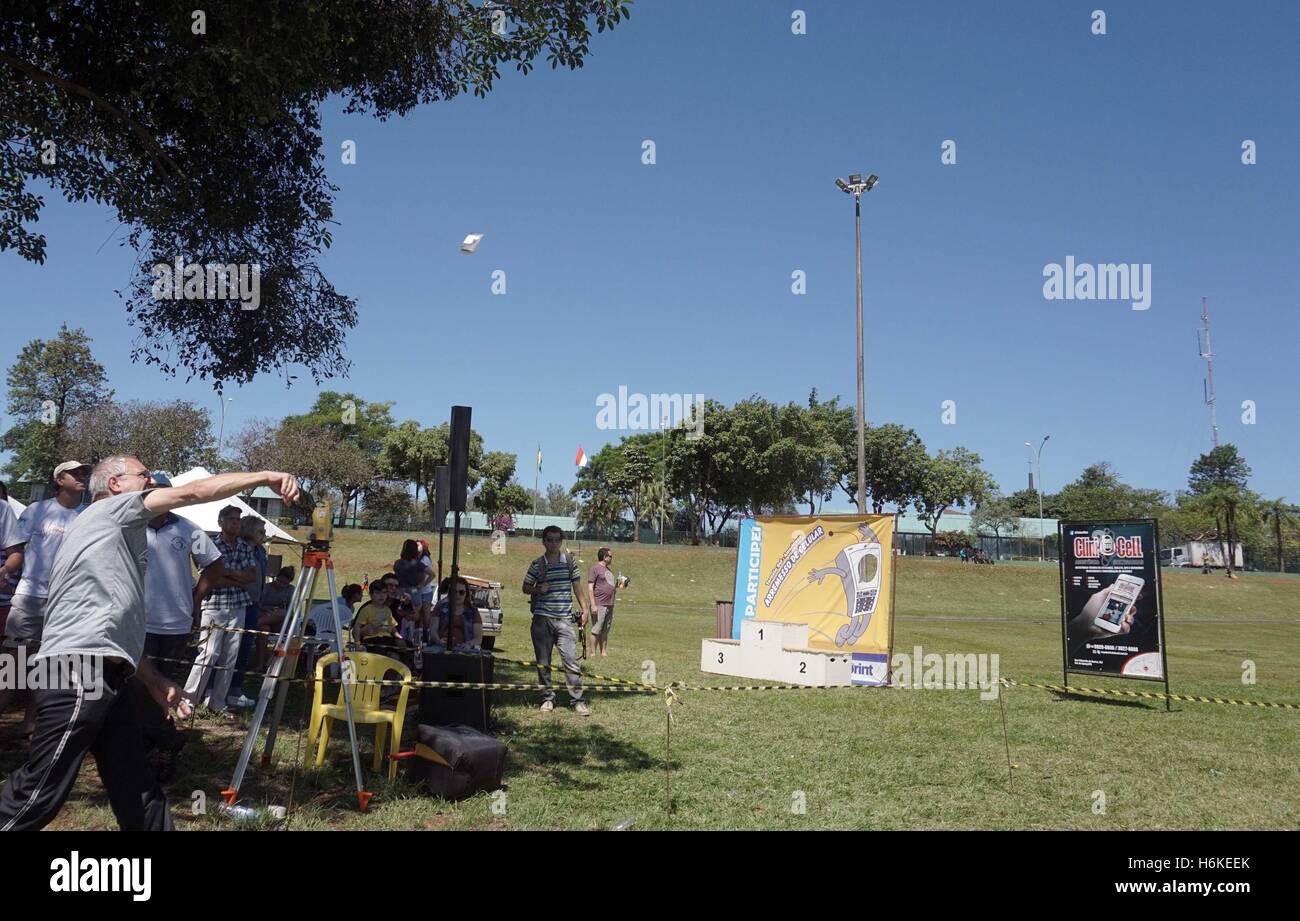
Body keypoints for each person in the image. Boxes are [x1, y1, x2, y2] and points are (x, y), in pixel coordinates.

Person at [0, 457, 299, 831]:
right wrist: (265, 475)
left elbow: (111, 632)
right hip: (76, 671)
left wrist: (157, 683)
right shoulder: (109, 510)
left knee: (136, 785)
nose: (152, 482)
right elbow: (192, 492)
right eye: (144, 476)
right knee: (39, 791)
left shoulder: (114, 538)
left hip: (107, 673)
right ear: (114, 484)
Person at [139, 472, 224, 777]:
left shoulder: (188, 529)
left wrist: (197, 599)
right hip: (135, 623)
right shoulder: (131, 525)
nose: (159, 496)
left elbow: (215, 563)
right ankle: (162, 742)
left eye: (164, 491)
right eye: (153, 491)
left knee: (165, 688)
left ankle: (158, 749)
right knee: (139, 688)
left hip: (176, 623)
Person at [0, 461, 89, 737]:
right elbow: (17, 550)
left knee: (50, 664)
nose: (81, 477)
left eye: (84, 473)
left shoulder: (89, 515)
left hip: (68, 602)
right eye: (74, 473)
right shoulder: (36, 511)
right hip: (29, 597)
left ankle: (31, 721)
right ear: (59, 479)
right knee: (13, 662)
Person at [184, 505, 257, 716]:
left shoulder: (244, 546)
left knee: (230, 657)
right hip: (213, 605)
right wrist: (236, 578)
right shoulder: (211, 545)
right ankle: (189, 699)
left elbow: (251, 576)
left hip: (238, 606)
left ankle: (218, 702)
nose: (236, 523)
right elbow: (209, 578)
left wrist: (225, 573)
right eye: (232, 519)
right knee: (208, 654)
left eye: (238, 519)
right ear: (221, 522)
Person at [522, 525, 591, 715]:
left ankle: (577, 700)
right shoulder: (537, 564)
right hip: (542, 619)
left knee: (570, 661)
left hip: (564, 619)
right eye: (549, 539)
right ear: (544, 542)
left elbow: (577, 587)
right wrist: (538, 589)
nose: (553, 543)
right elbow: (525, 587)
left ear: (561, 542)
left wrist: (585, 610)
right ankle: (547, 698)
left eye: (557, 540)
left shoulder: (569, 562)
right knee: (543, 662)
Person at [226, 515, 269, 702]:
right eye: (261, 531)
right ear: (250, 530)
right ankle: (219, 688)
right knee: (231, 647)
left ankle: (235, 687)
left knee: (244, 647)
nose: (264, 535)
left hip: (253, 603)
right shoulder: (241, 548)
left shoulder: (260, 551)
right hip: (237, 602)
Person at [433, 576, 483, 648]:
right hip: (440, 647)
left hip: (464, 650)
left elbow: (478, 638)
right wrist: (439, 642)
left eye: (461, 592)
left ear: (466, 594)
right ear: (450, 593)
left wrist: (468, 644)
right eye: (454, 592)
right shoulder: (440, 607)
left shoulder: (473, 612)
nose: (458, 595)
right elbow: (433, 631)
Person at [586, 547, 619, 657]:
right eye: (610, 556)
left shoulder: (608, 570)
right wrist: (593, 605)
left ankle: (603, 652)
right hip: (599, 603)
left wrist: (620, 584)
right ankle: (593, 653)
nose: (611, 558)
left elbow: (611, 585)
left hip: (610, 604)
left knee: (605, 630)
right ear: (604, 557)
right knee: (596, 629)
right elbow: (590, 587)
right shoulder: (595, 569)